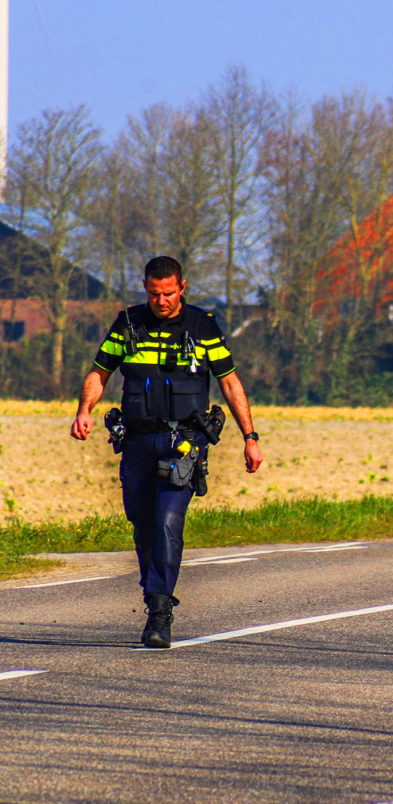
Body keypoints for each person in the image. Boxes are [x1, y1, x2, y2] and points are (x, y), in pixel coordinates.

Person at [70, 256, 264, 648]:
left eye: (169, 293)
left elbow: (229, 383)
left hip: (184, 443)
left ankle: (160, 612)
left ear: (183, 287)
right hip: (138, 441)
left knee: (167, 522)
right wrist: (84, 410)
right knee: (143, 524)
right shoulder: (128, 324)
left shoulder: (202, 326)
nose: (162, 300)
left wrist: (250, 435)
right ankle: (154, 590)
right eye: (155, 293)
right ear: (145, 287)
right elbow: (99, 372)